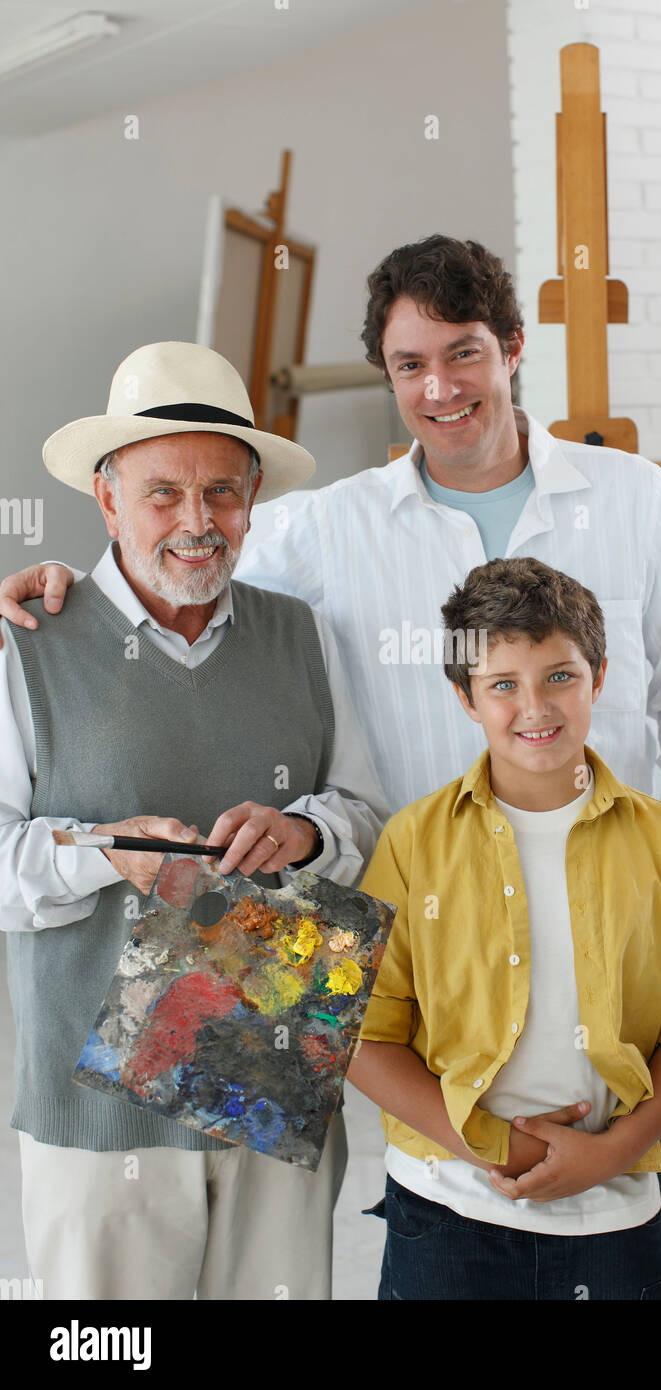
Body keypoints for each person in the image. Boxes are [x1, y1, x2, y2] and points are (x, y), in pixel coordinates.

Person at [0, 235, 661, 1298]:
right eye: (408, 363)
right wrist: (49, 595)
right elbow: (171, 557)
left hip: (616, 943)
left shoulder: (630, 499)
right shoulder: (327, 530)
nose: (438, 387)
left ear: (512, 350)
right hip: (412, 972)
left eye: (464, 353)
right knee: (436, 1236)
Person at [0, 340, 389, 1300]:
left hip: (274, 1069)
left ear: (253, 499)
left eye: (222, 492)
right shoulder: (29, 647)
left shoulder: (300, 634)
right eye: (163, 493)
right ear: (107, 499)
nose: (196, 521)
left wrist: (305, 833)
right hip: (97, 1121)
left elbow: (366, 810)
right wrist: (107, 854)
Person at [347, 556, 661, 1300]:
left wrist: (614, 1152)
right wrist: (488, 1139)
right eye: (503, 685)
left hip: (614, 1214)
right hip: (445, 1204)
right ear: (465, 697)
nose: (535, 707)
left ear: (599, 677)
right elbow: (364, 1032)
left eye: (560, 676)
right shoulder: (411, 841)